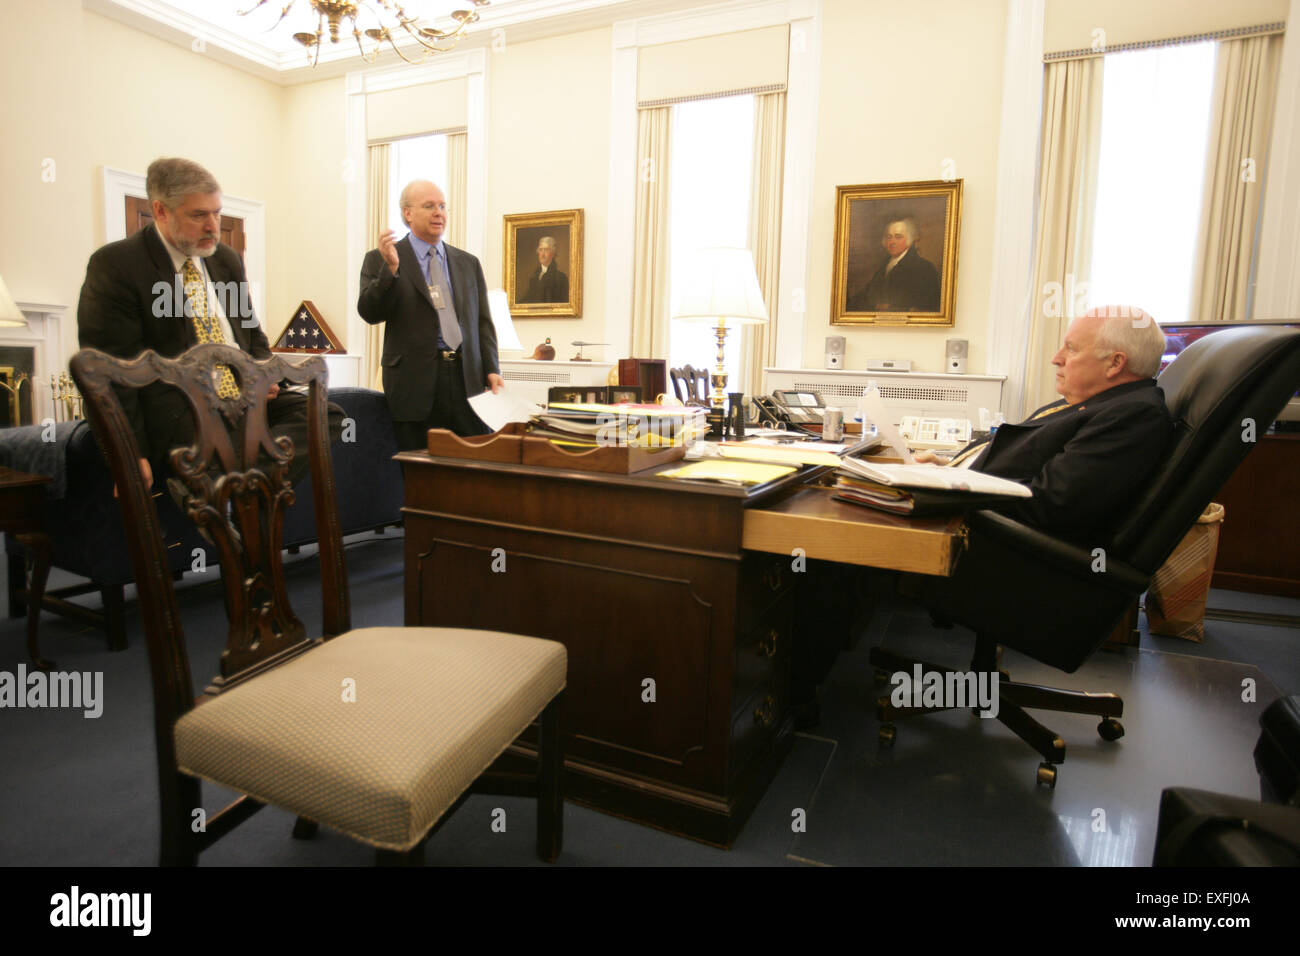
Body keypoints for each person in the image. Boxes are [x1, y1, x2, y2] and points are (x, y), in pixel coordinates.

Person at [77, 156, 340, 491]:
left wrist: (264, 372)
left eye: (217, 213)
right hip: (182, 411)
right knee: (214, 439)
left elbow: (250, 333)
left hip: (246, 401)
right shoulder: (117, 266)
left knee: (326, 416)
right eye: (198, 215)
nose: (213, 226)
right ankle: (242, 494)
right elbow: (111, 371)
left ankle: (241, 491)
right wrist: (129, 452)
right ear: (161, 211)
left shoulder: (225, 260)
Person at [918, 305, 1174, 540]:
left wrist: (952, 490)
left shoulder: (1133, 415)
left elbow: (1050, 505)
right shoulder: (1094, 403)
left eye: (1072, 348)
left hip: (990, 544)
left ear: (1115, 363)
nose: (1056, 358)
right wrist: (951, 469)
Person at [358, 180, 504, 450]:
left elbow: (482, 322)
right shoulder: (382, 258)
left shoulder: (467, 263)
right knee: (419, 474)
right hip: (414, 384)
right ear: (407, 213)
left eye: (442, 206)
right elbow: (369, 312)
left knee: (473, 467)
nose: (439, 213)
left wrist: (492, 368)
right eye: (429, 206)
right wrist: (389, 270)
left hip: (465, 380)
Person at [848, 218, 941, 313]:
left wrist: (889, 307)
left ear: (910, 239)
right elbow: (867, 295)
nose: (892, 242)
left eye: (898, 237)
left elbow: (928, 305)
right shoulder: (885, 265)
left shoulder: (924, 268)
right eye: (889, 237)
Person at [520, 236, 569, 304]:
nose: (542, 254)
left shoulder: (561, 278)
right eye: (540, 250)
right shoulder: (534, 276)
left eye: (546, 250)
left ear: (553, 253)